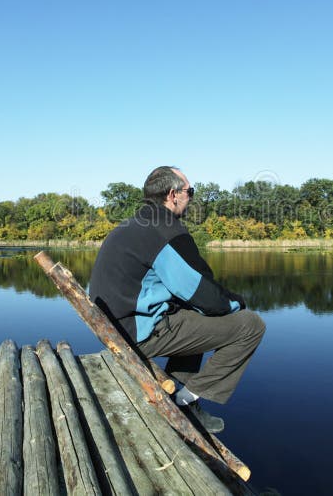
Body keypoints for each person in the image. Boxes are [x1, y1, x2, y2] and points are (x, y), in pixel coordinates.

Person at [88, 166, 266, 433]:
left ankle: (177, 391)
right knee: (250, 325)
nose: (191, 198)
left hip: (115, 328)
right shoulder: (165, 230)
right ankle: (187, 401)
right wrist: (235, 304)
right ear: (172, 194)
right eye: (189, 192)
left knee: (193, 314)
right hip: (135, 332)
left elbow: (189, 291)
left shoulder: (134, 224)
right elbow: (200, 291)